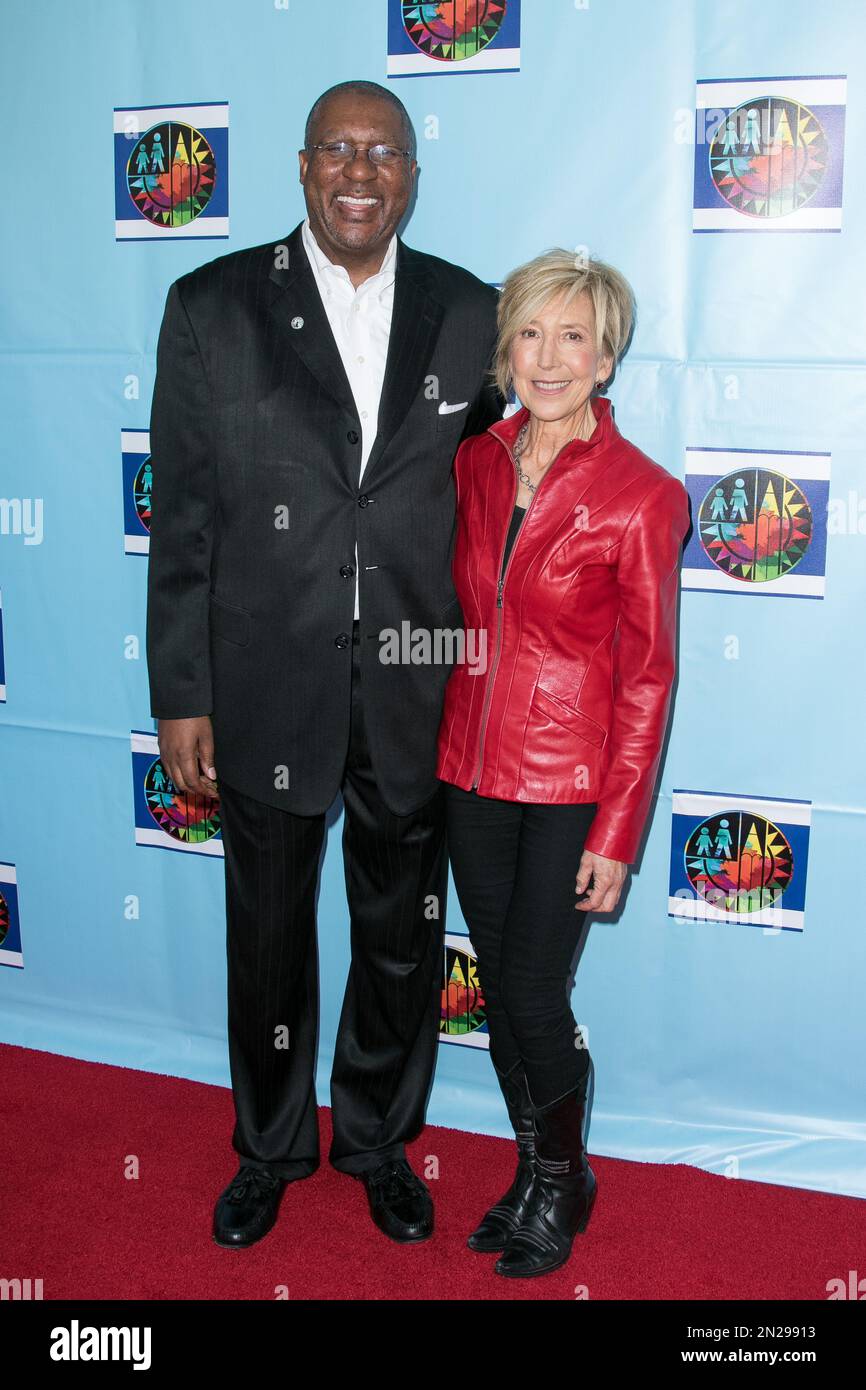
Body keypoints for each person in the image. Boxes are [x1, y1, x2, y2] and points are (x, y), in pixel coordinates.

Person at [145, 79, 503, 1249]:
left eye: (385, 152)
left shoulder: (471, 313)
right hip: (264, 682)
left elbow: (514, 490)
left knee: (399, 934)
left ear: (412, 173)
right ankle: (268, 1147)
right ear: (302, 168)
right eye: (339, 150)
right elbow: (184, 520)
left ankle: (378, 1141)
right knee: (269, 933)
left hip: (418, 675)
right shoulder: (210, 306)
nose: (361, 171)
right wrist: (181, 695)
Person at [436, 248, 691, 1277]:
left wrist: (617, 833)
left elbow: (646, 678)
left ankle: (555, 1181)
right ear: (505, 350)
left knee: (534, 996)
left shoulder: (643, 497)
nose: (548, 358)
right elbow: (463, 624)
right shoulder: (475, 462)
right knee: (499, 987)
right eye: (530, 334)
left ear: (605, 358)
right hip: (468, 772)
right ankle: (546, 1165)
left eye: (572, 337)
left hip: (569, 786)